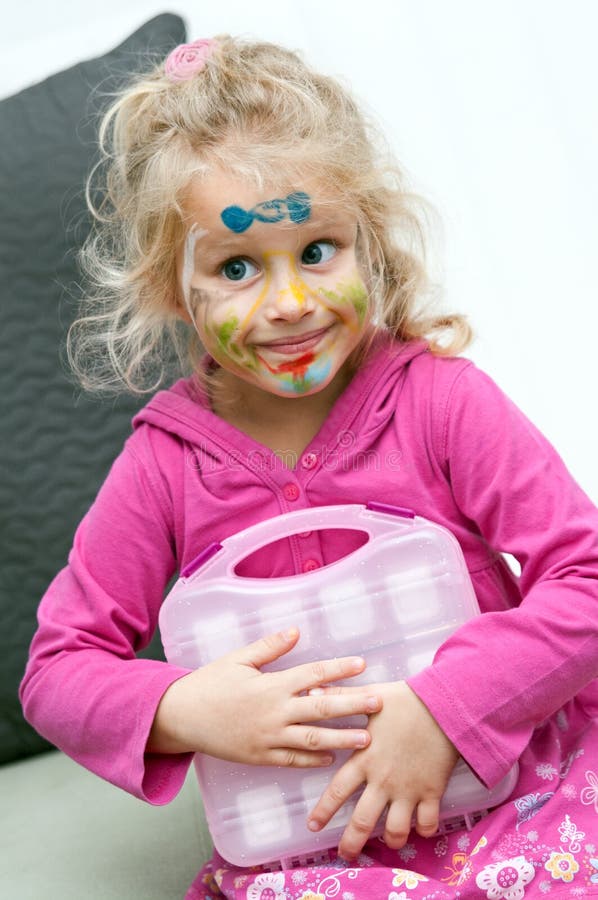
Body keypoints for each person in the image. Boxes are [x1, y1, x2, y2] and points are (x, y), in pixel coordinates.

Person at [20, 34, 598, 900]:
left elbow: (587, 577)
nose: (290, 303)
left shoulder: (443, 402)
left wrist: (444, 710)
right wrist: (185, 708)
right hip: (316, 858)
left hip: (523, 798)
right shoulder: (164, 468)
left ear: (369, 241)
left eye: (319, 251)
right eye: (237, 266)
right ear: (173, 287)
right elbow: (57, 670)